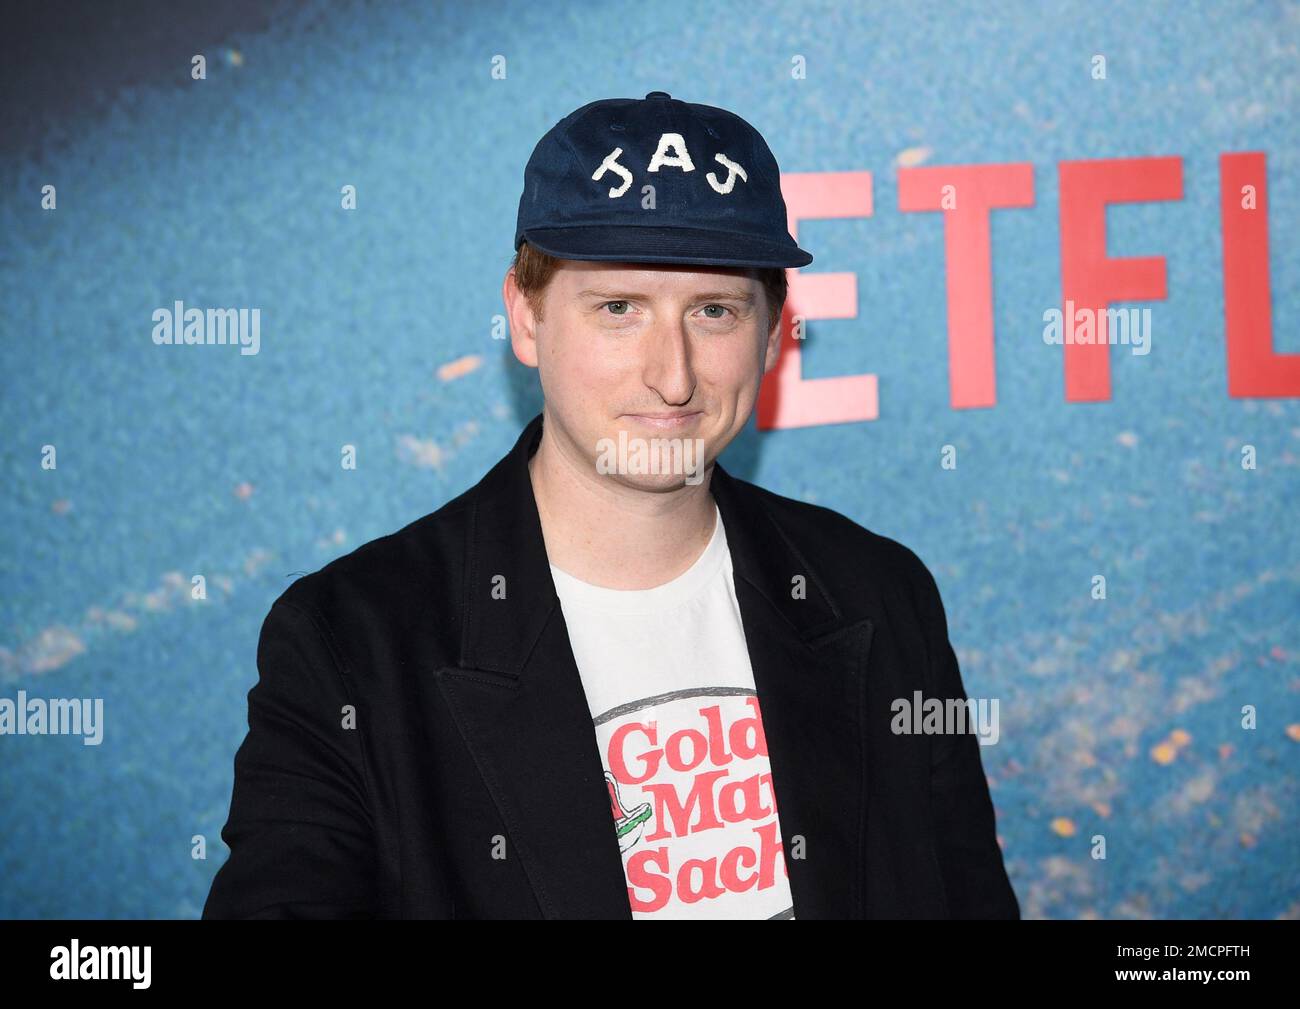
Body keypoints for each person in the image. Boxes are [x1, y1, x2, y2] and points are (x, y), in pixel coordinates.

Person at [203, 91, 1019, 920]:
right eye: (619, 309)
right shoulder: (351, 644)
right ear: (525, 317)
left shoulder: (882, 592)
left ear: (773, 332)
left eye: (714, 310)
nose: (672, 375)